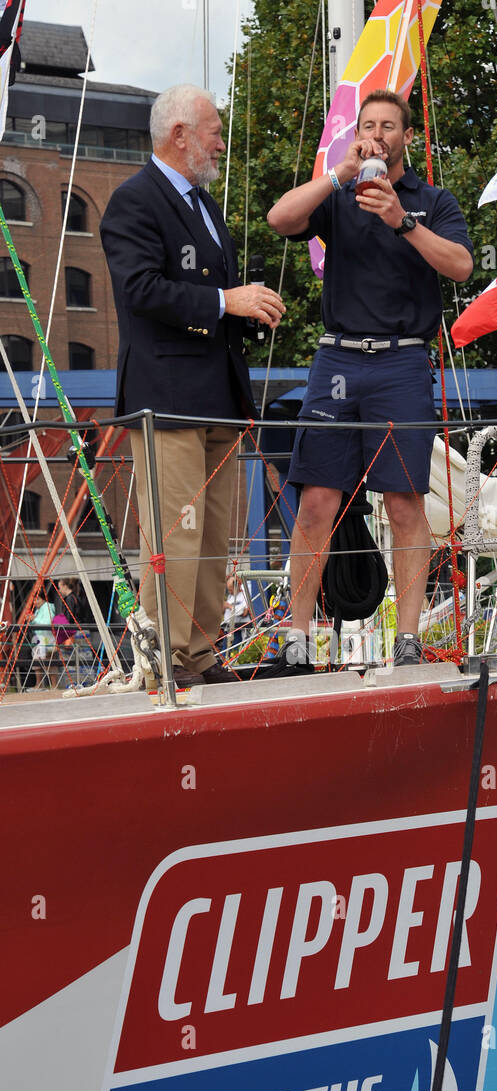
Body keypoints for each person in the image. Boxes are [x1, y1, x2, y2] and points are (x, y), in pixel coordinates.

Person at [267, 89, 473, 670]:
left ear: (408, 136)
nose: (378, 132)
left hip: (402, 361)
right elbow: (281, 218)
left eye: (388, 125)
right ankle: (298, 641)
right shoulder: (340, 193)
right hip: (337, 360)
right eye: (368, 124)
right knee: (316, 500)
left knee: (405, 503)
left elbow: (460, 265)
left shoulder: (432, 201)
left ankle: (407, 642)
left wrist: (400, 219)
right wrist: (341, 173)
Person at [101, 84, 285, 688]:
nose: (220, 140)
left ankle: (200, 655)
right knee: (174, 534)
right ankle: (163, 661)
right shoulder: (133, 202)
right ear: (178, 134)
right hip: (167, 399)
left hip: (217, 397)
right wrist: (224, 300)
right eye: (212, 128)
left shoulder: (205, 206)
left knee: (209, 539)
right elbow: (140, 291)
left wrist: (242, 309)